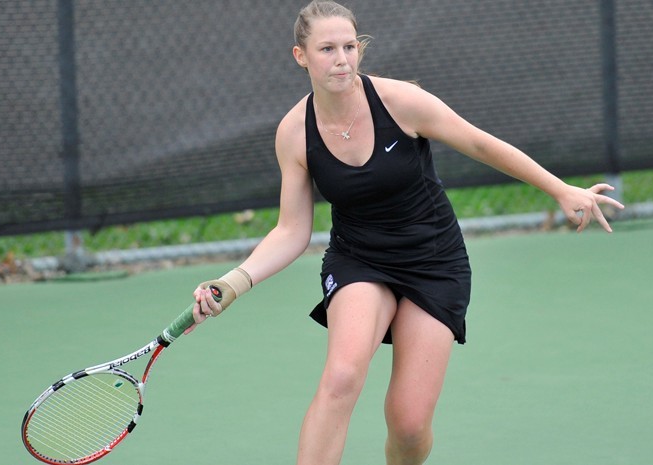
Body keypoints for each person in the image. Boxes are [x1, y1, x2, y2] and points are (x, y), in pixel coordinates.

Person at [187, 1, 624, 464]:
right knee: (340, 379)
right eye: (327, 48)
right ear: (301, 56)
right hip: (359, 260)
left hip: (433, 261)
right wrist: (233, 283)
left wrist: (559, 189)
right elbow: (292, 230)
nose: (342, 59)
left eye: (350, 46)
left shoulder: (400, 102)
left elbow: (478, 141)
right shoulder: (294, 133)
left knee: (410, 426)